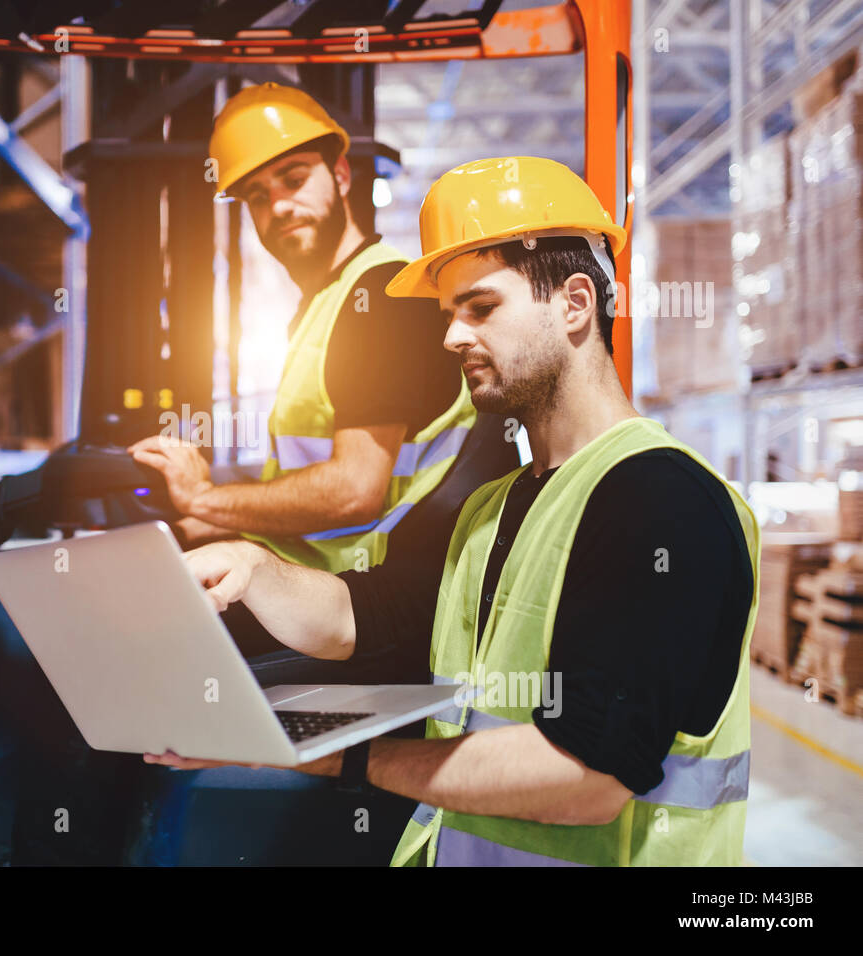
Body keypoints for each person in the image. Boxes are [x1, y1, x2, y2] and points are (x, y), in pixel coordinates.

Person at [153, 156, 761, 867]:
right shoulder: (492, 510)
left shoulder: (661, 502)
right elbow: (367, 616)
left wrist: (335, 758)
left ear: (573, 304)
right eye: (450, 314)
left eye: (480, 308)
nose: (451, 337)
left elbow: (589, 778)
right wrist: (254, 566)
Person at [130, 83, 512, 575]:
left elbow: (354, 492)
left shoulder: (380, 297)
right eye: (258, 196)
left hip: (364, 593)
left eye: (293, 179)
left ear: (340, 174)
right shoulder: (326, 305)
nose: (280, 206)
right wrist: (172, 531)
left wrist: (204, 498)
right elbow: (296, 491)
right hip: (310, 569)